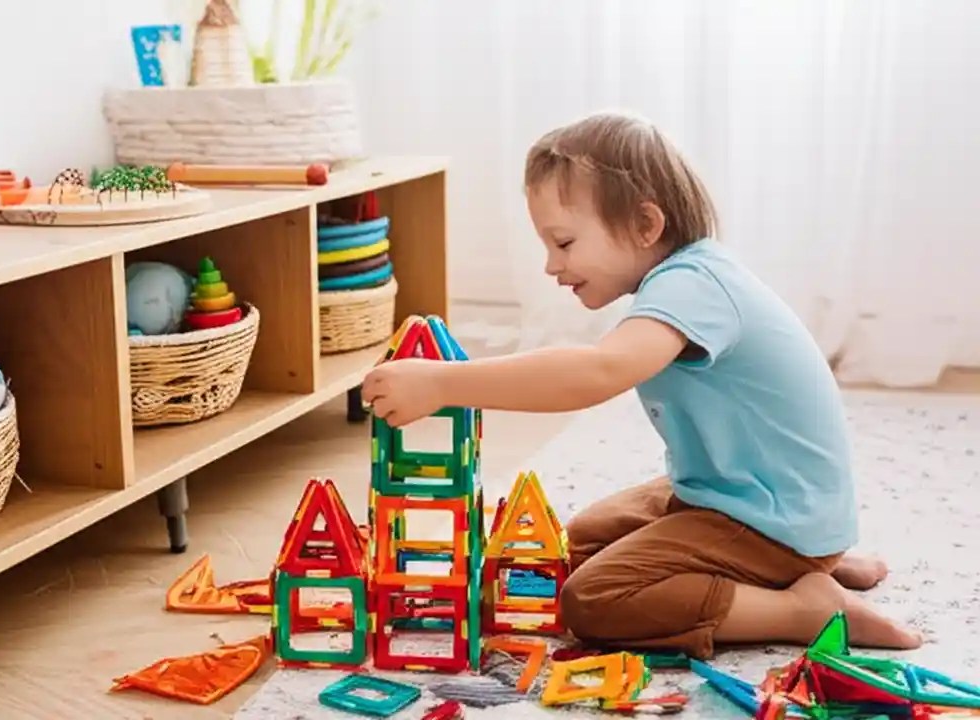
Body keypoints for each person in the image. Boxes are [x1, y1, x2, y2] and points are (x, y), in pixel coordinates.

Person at [359, 111, 922, 659]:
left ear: (646, 226)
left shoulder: (693, 287)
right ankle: (804, 561)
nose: (551, 267)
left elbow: (595, 372)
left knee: (596, 598)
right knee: (576, 542)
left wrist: (443, 383)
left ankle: (802, 606)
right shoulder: (687, 279)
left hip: (769, 512)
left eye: (564, 243)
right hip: (749, 493)